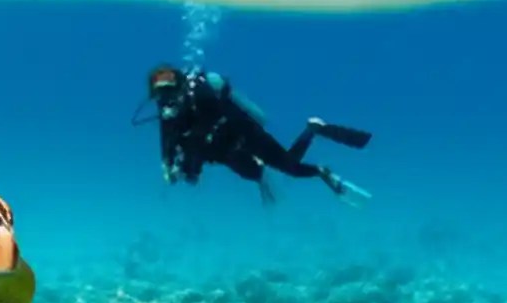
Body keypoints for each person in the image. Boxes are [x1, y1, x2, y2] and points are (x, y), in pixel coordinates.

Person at [138, 65, 373, 206]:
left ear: (179, 86)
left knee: (284, 169)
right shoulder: (171, 109)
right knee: (277, 170)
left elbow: (195, 137)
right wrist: (170, 165)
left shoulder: (199, 95)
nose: (167, 100)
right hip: (230, 148)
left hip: (242, 137)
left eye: (169, 92)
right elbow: (168, 138)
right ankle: (314, 143)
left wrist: (184, 169)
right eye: (162, 95)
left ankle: (313, 141)